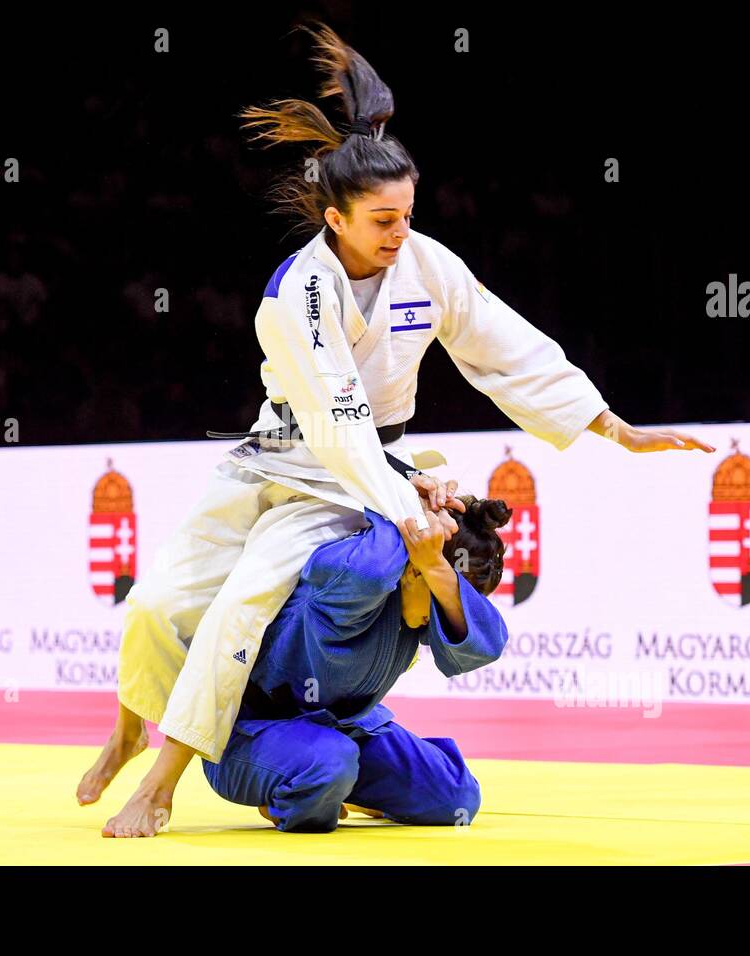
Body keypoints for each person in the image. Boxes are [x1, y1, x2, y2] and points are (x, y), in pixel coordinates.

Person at [80, 21, 714, 838]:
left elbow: (502, 343)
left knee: (242, 604)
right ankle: (128, 730)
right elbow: (334, 416)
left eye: (407, 215)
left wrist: (609, 425)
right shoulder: (297, 294)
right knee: (153, 605)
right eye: (382, 220)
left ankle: (163, 784)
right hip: (282, 449)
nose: (399, 233)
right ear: (334, 218)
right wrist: (403, 501)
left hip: (356, 469)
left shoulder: (427, 265)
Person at [201, 498, 509, 834]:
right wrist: (404, 503)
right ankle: (290, 788)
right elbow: (371, 571)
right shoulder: (350, 577)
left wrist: (438, 570)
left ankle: (339, 788)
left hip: (347, 730)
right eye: (442, 597)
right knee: (329, 766)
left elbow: (490, 643)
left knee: (457, 797)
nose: (444, 614)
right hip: (254, 733)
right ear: (412, 568)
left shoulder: (420, 591)